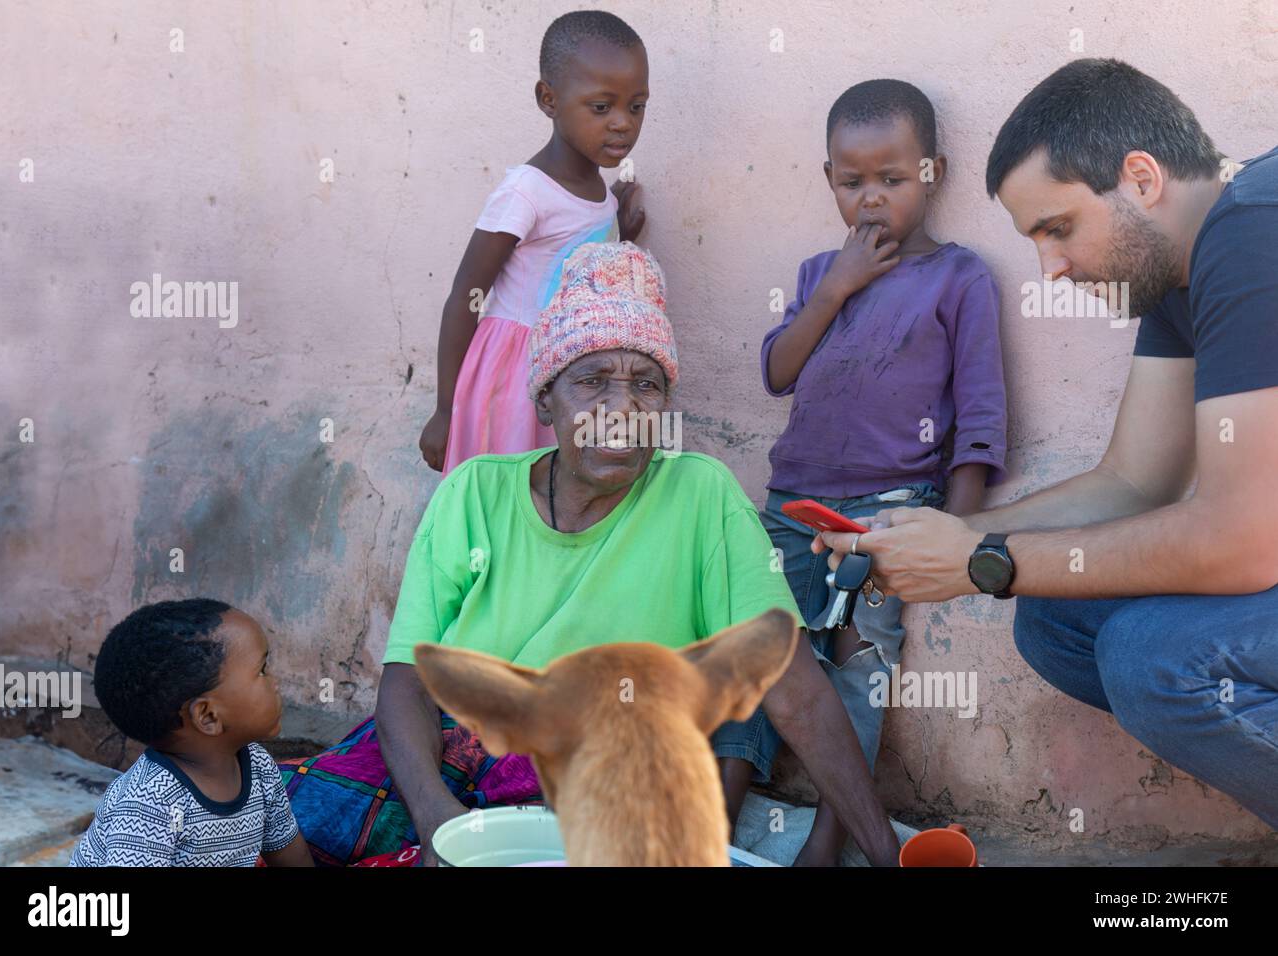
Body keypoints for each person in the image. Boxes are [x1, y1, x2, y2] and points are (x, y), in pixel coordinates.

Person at [285, 241, 904, 866]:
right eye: (591, 381)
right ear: (545, 400)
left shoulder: (700, 495)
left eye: (646, 384)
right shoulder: (473, 492)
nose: (621, 409)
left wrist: (885, 856)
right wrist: (439, 821)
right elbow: (407, 681)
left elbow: (794, 691)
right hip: (451, 746)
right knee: (289, 827)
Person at [817, 58, 1278, 829]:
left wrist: (982, 565)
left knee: (1150, 659)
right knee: (1059, 620)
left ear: (1140, 178)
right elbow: (1135, 480)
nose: (1050, 267)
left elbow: (1241, 544)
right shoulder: (1180, 260)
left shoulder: (1255, 236)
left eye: (1058, 228)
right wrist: (954, 536)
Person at [712, 79, 1007, 866]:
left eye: (893, 179)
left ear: (933, 174)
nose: (871, 199)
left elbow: (979, 415)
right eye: (853, 183)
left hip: (891, 510)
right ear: (829, 182)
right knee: (758, 642)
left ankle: (832, 835)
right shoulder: (818, 273)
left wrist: (959, 526)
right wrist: (840, 285)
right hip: (792, 504)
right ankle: (719, 809)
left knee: (861, 653)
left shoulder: (959, 277)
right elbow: (777, 370)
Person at [418, 9, 649, 474]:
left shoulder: (600, 195)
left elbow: (574, 265)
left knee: (555, 490)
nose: (622, 123)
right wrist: (447, 409)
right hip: (515, 374)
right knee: (509, 488)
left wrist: (618, 230)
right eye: (602, 107)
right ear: (549, 99)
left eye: (636, 106)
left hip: (570, 371)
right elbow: (466, 296)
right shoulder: (525, 191)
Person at [71, 599, 313, 866]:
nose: (276, 683)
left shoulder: (259, 767)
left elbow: (292, 856)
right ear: (208, 716)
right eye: (262, 670)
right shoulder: (150, 806)